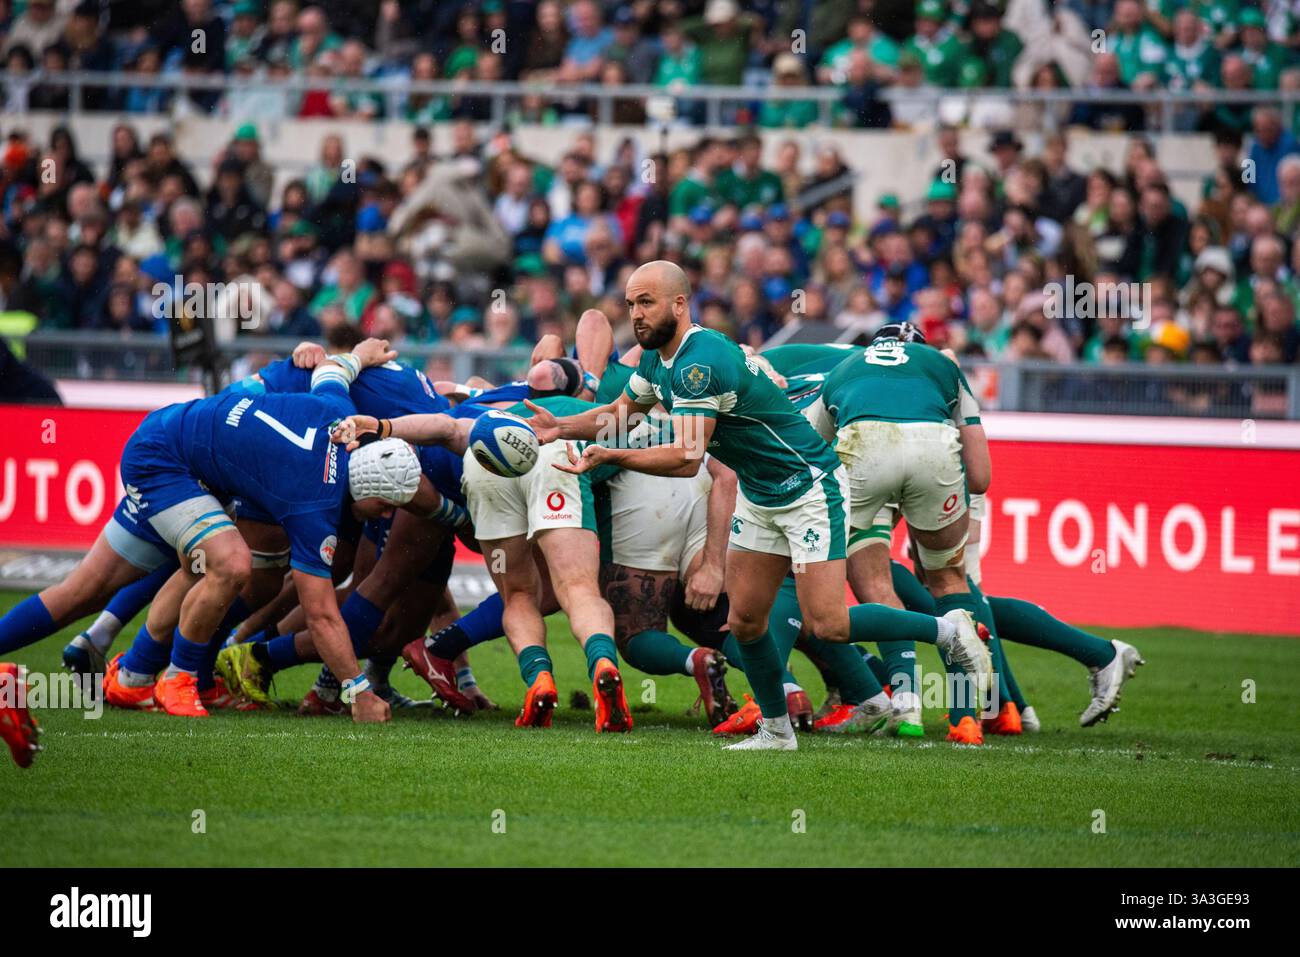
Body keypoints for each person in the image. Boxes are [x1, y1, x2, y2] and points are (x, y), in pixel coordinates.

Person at [525, 261, 851, 752]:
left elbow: (685, 458)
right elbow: (619, 416)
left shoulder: (699, 363)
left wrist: (612, 455)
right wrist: (562, 428)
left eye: (647, 302)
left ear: (680, 304)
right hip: (761, 491)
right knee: (742, 621)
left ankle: (942, 630)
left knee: (827, 622)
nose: (635, 313)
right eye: (632, 303)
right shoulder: (658, 360)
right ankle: (778, 731)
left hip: (806, 483)